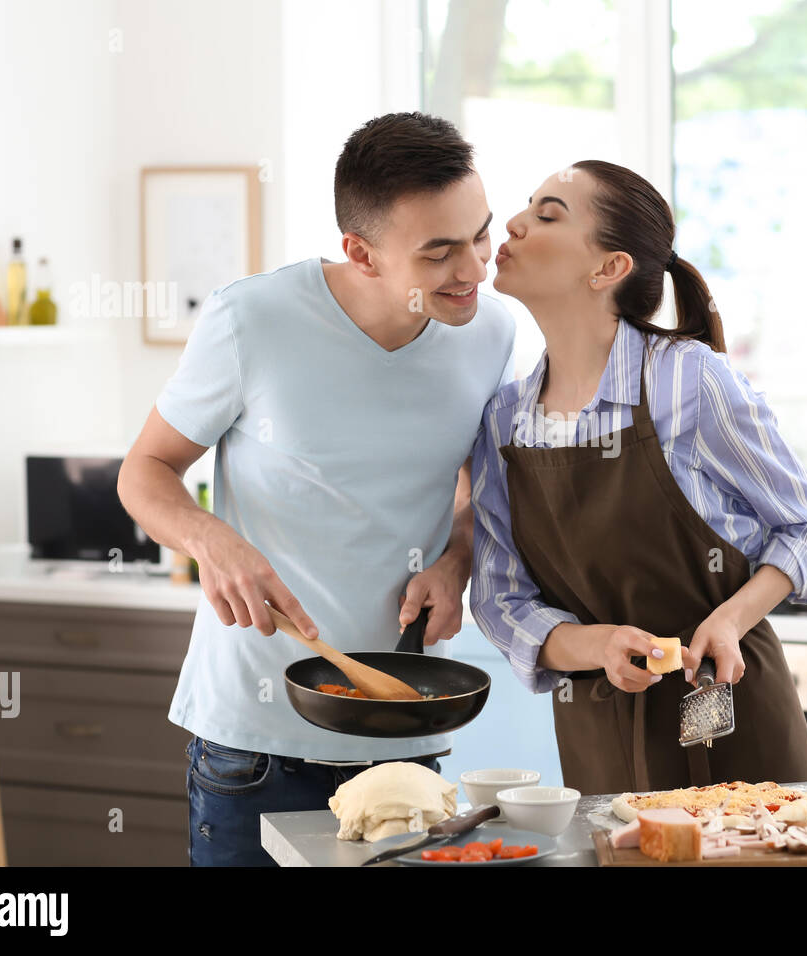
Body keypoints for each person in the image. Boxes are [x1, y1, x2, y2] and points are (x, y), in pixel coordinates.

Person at [117, 113, 515, 865]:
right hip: (255, 740)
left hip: (403, 734)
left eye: (480, 235)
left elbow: (475, 487)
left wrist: (457, 559)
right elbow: (145, 470)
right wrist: (212, 540)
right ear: (360, 253)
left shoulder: (490, 333)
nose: (475, 269)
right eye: (440, 252)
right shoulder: (251, 320)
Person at [469, 160, 807, 795]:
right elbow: (499, 600)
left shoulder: (687, 380)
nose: (513, 223)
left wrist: (730, 619)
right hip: (598, 726)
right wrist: (597, 646)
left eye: (546, 214)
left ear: (608, 268)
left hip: (730, 705)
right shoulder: (504, 419)